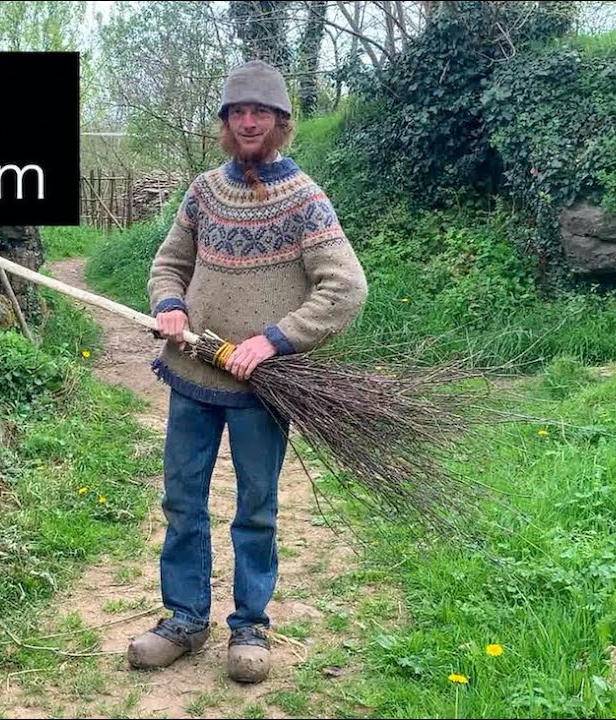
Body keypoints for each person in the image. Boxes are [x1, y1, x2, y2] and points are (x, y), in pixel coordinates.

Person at [126, 59, 369, 684]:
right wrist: (170, 305)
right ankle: (184, 618)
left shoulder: (303, 199)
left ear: (281, 122)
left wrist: (274, 340)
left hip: (262, 387)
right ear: (226, 124)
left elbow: (344, 289)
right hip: (192, 375)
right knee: (183, 501)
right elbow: (168, 265)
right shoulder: (204, 191)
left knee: (256, 507)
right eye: (238, 112)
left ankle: (251, 624)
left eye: (261, 111)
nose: (249, 121)